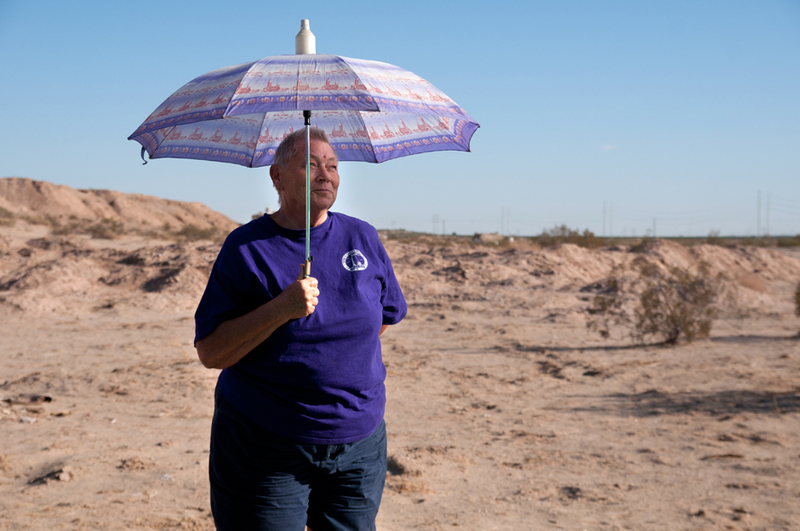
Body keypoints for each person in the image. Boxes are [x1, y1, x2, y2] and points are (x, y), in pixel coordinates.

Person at [194, 128, 407, 531]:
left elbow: (381, 319)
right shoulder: (246, 247)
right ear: (277, 176)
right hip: (266, 442)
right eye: (310, 165)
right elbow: (212, 352)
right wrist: (280, 310)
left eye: (332, 166)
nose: (325, 175)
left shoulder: (361, 236)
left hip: (359, 441)